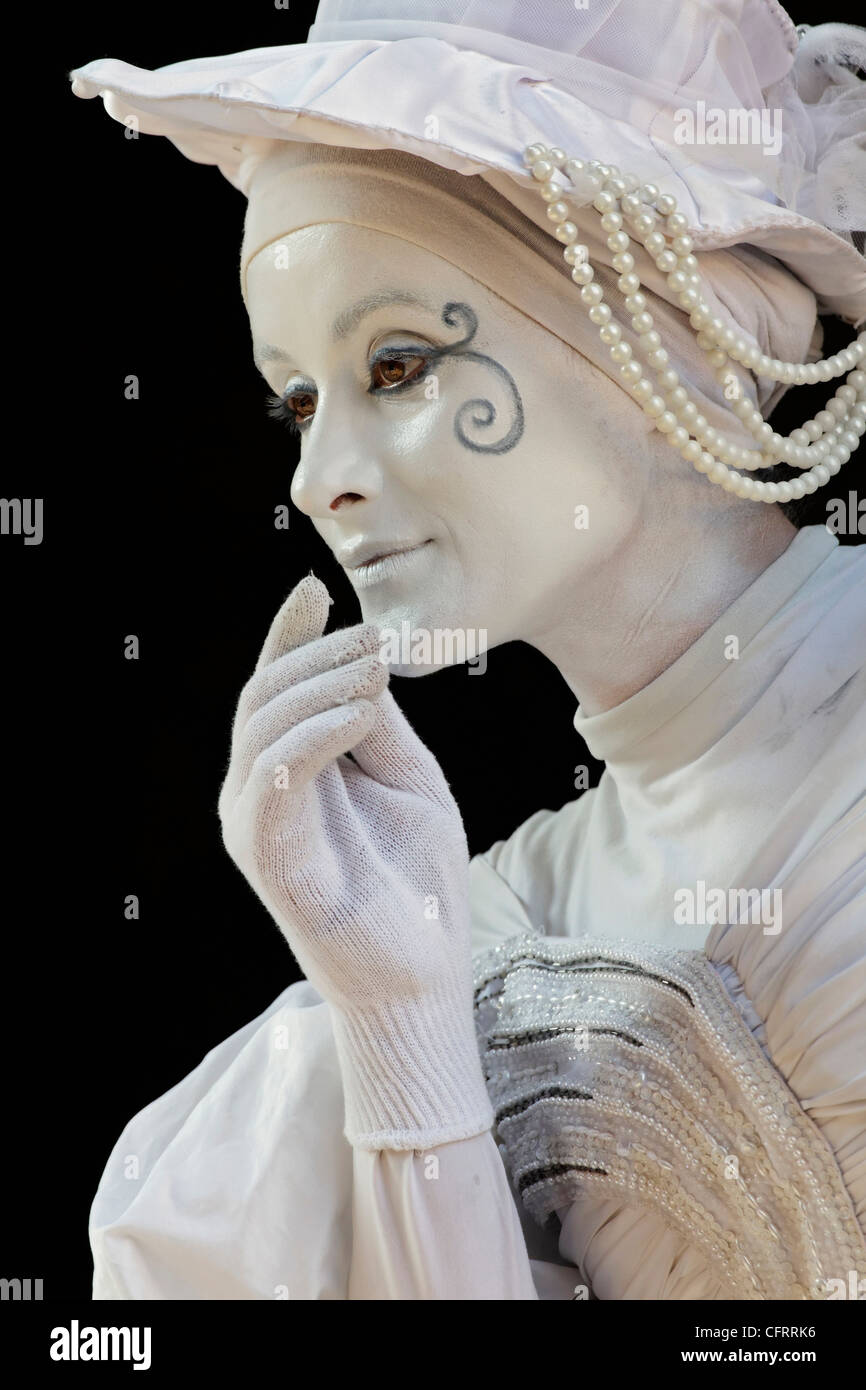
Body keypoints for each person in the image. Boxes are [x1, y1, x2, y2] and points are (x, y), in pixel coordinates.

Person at [70, 0, 866, 1299]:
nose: (319, 479)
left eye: (394, 365)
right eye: (295, 402)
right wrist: (398, 1031)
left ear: (648, 332)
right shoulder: (480, 931)